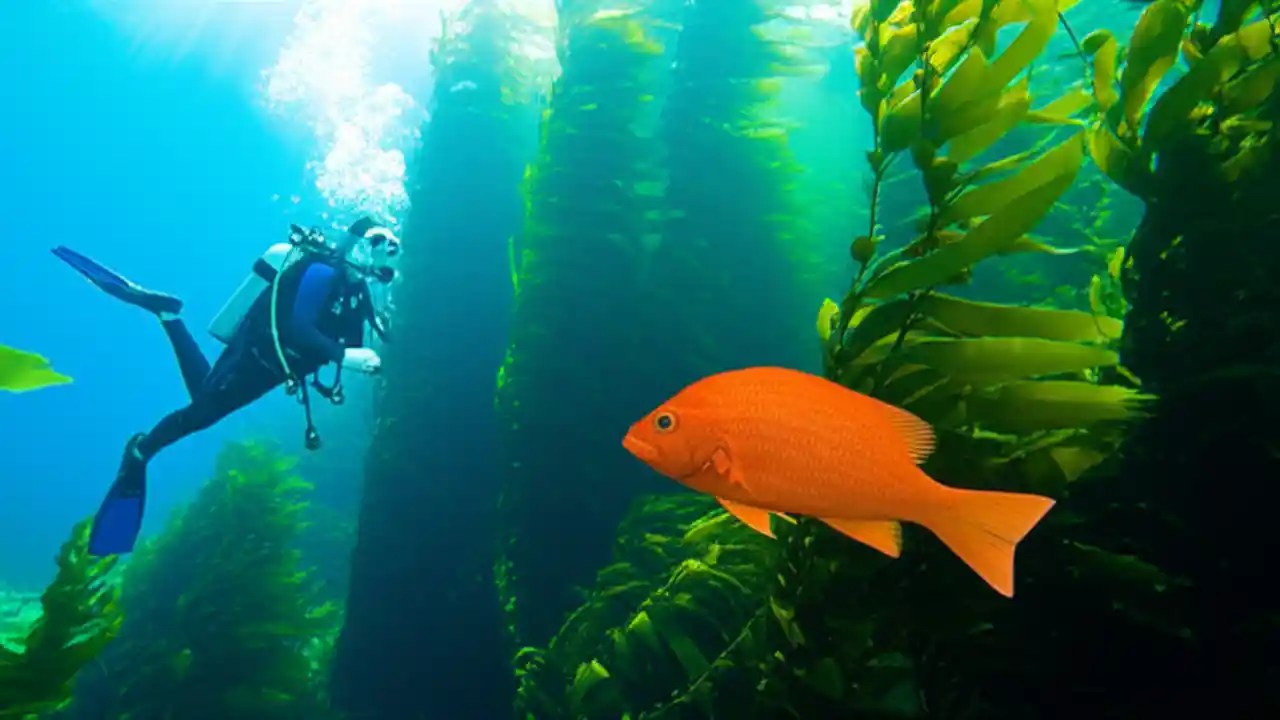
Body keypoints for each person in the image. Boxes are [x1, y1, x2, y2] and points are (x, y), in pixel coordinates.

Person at [52, 217, 401, 556]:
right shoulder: (322, 272)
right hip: (256, 351)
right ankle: (139, 454)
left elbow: (354, 341)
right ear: (357, 244)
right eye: (378, 243)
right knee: (204, 410)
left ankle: (168, 315)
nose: (385, 254)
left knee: (206, 400)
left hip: (277, 368)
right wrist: (344, 355)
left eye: (392, 250)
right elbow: (299, 328)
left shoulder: (356, 293)